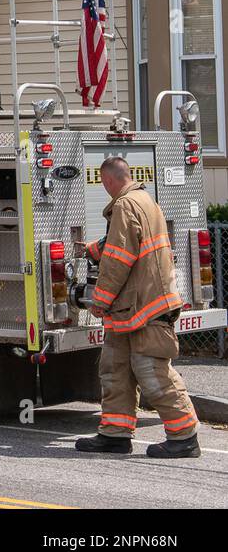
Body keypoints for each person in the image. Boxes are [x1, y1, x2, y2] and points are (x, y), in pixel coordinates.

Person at [75, 156, 200, 459]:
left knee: (151, 370)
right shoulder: (144, 200)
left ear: (108, 181)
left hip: (144, 308)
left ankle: (185, 437)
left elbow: (119, 258)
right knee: (115, 369)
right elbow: (126, 242)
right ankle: (114, 435)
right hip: (132, 308)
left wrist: (100, 300)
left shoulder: (124, 205)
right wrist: (95, 249)